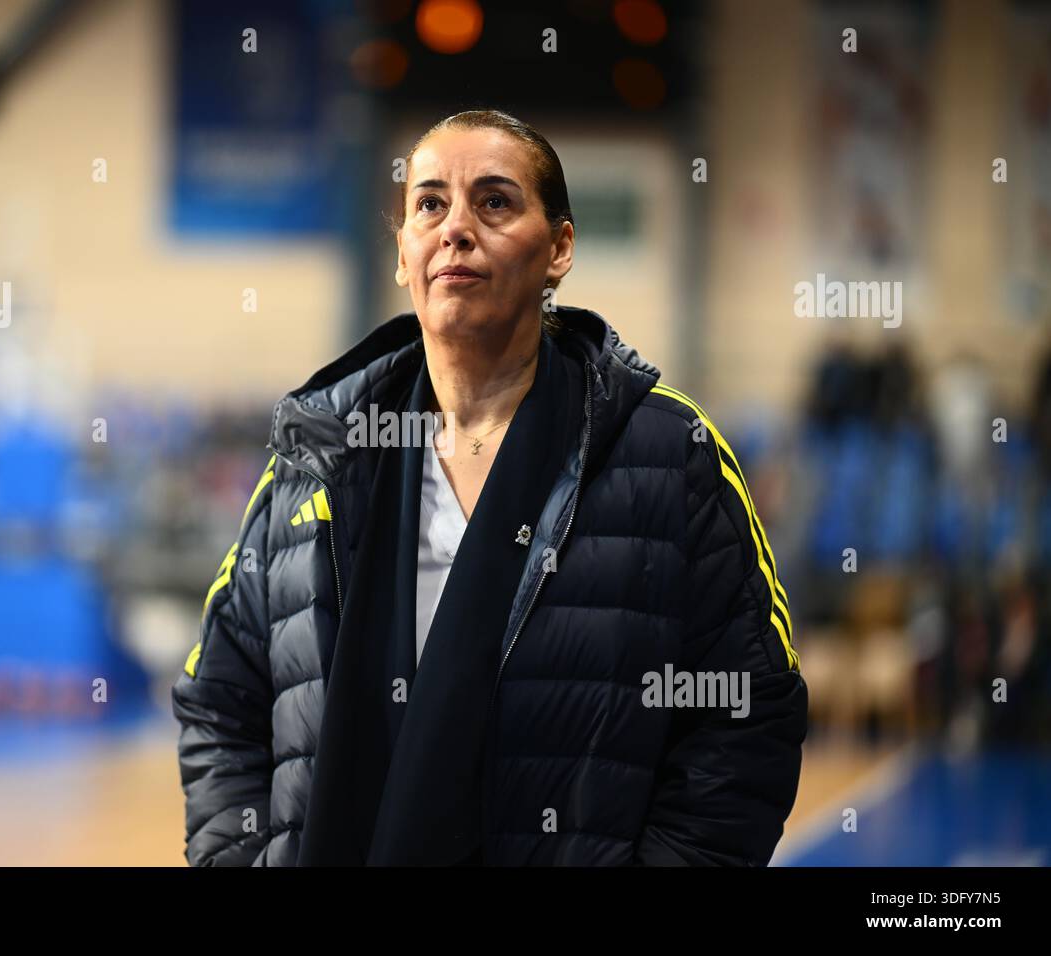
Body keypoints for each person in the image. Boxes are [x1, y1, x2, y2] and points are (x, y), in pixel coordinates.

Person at [172, 109, 808, 866]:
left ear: (560, 248)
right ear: (404, 251)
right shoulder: (317, 460)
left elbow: (746, 710)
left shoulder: (670, 455)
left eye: (496, 202)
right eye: (430, 204)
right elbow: (219, 700)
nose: (456, 228)